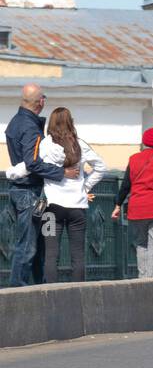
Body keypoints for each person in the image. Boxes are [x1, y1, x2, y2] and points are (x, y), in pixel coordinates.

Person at [4, 83, 66, 286]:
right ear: (41, 102)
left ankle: (40, 289)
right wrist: (61, 173)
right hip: (30, 193)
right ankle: (17, 292)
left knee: (38, 247)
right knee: (29, 246)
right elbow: (32, 163)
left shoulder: (15, 122)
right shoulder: (30, 127)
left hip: (21, 191)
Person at [36, 107, 106, 283]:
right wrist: (85, 187)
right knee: (78, 255)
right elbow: (101, 167)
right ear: (71, 122)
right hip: (77, 209)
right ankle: (78, 292)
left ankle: (51, 292)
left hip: (51, 209)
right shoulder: (80, 144)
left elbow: (34, 166)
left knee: (51, 254)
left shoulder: (45, 145)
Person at [112, 128, 153, 278]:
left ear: (144, 142)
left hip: (137, 209)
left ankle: (142, 279)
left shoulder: (133, 159)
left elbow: (126, 185)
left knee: (141, 244)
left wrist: (117, 205)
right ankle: (151, 280)